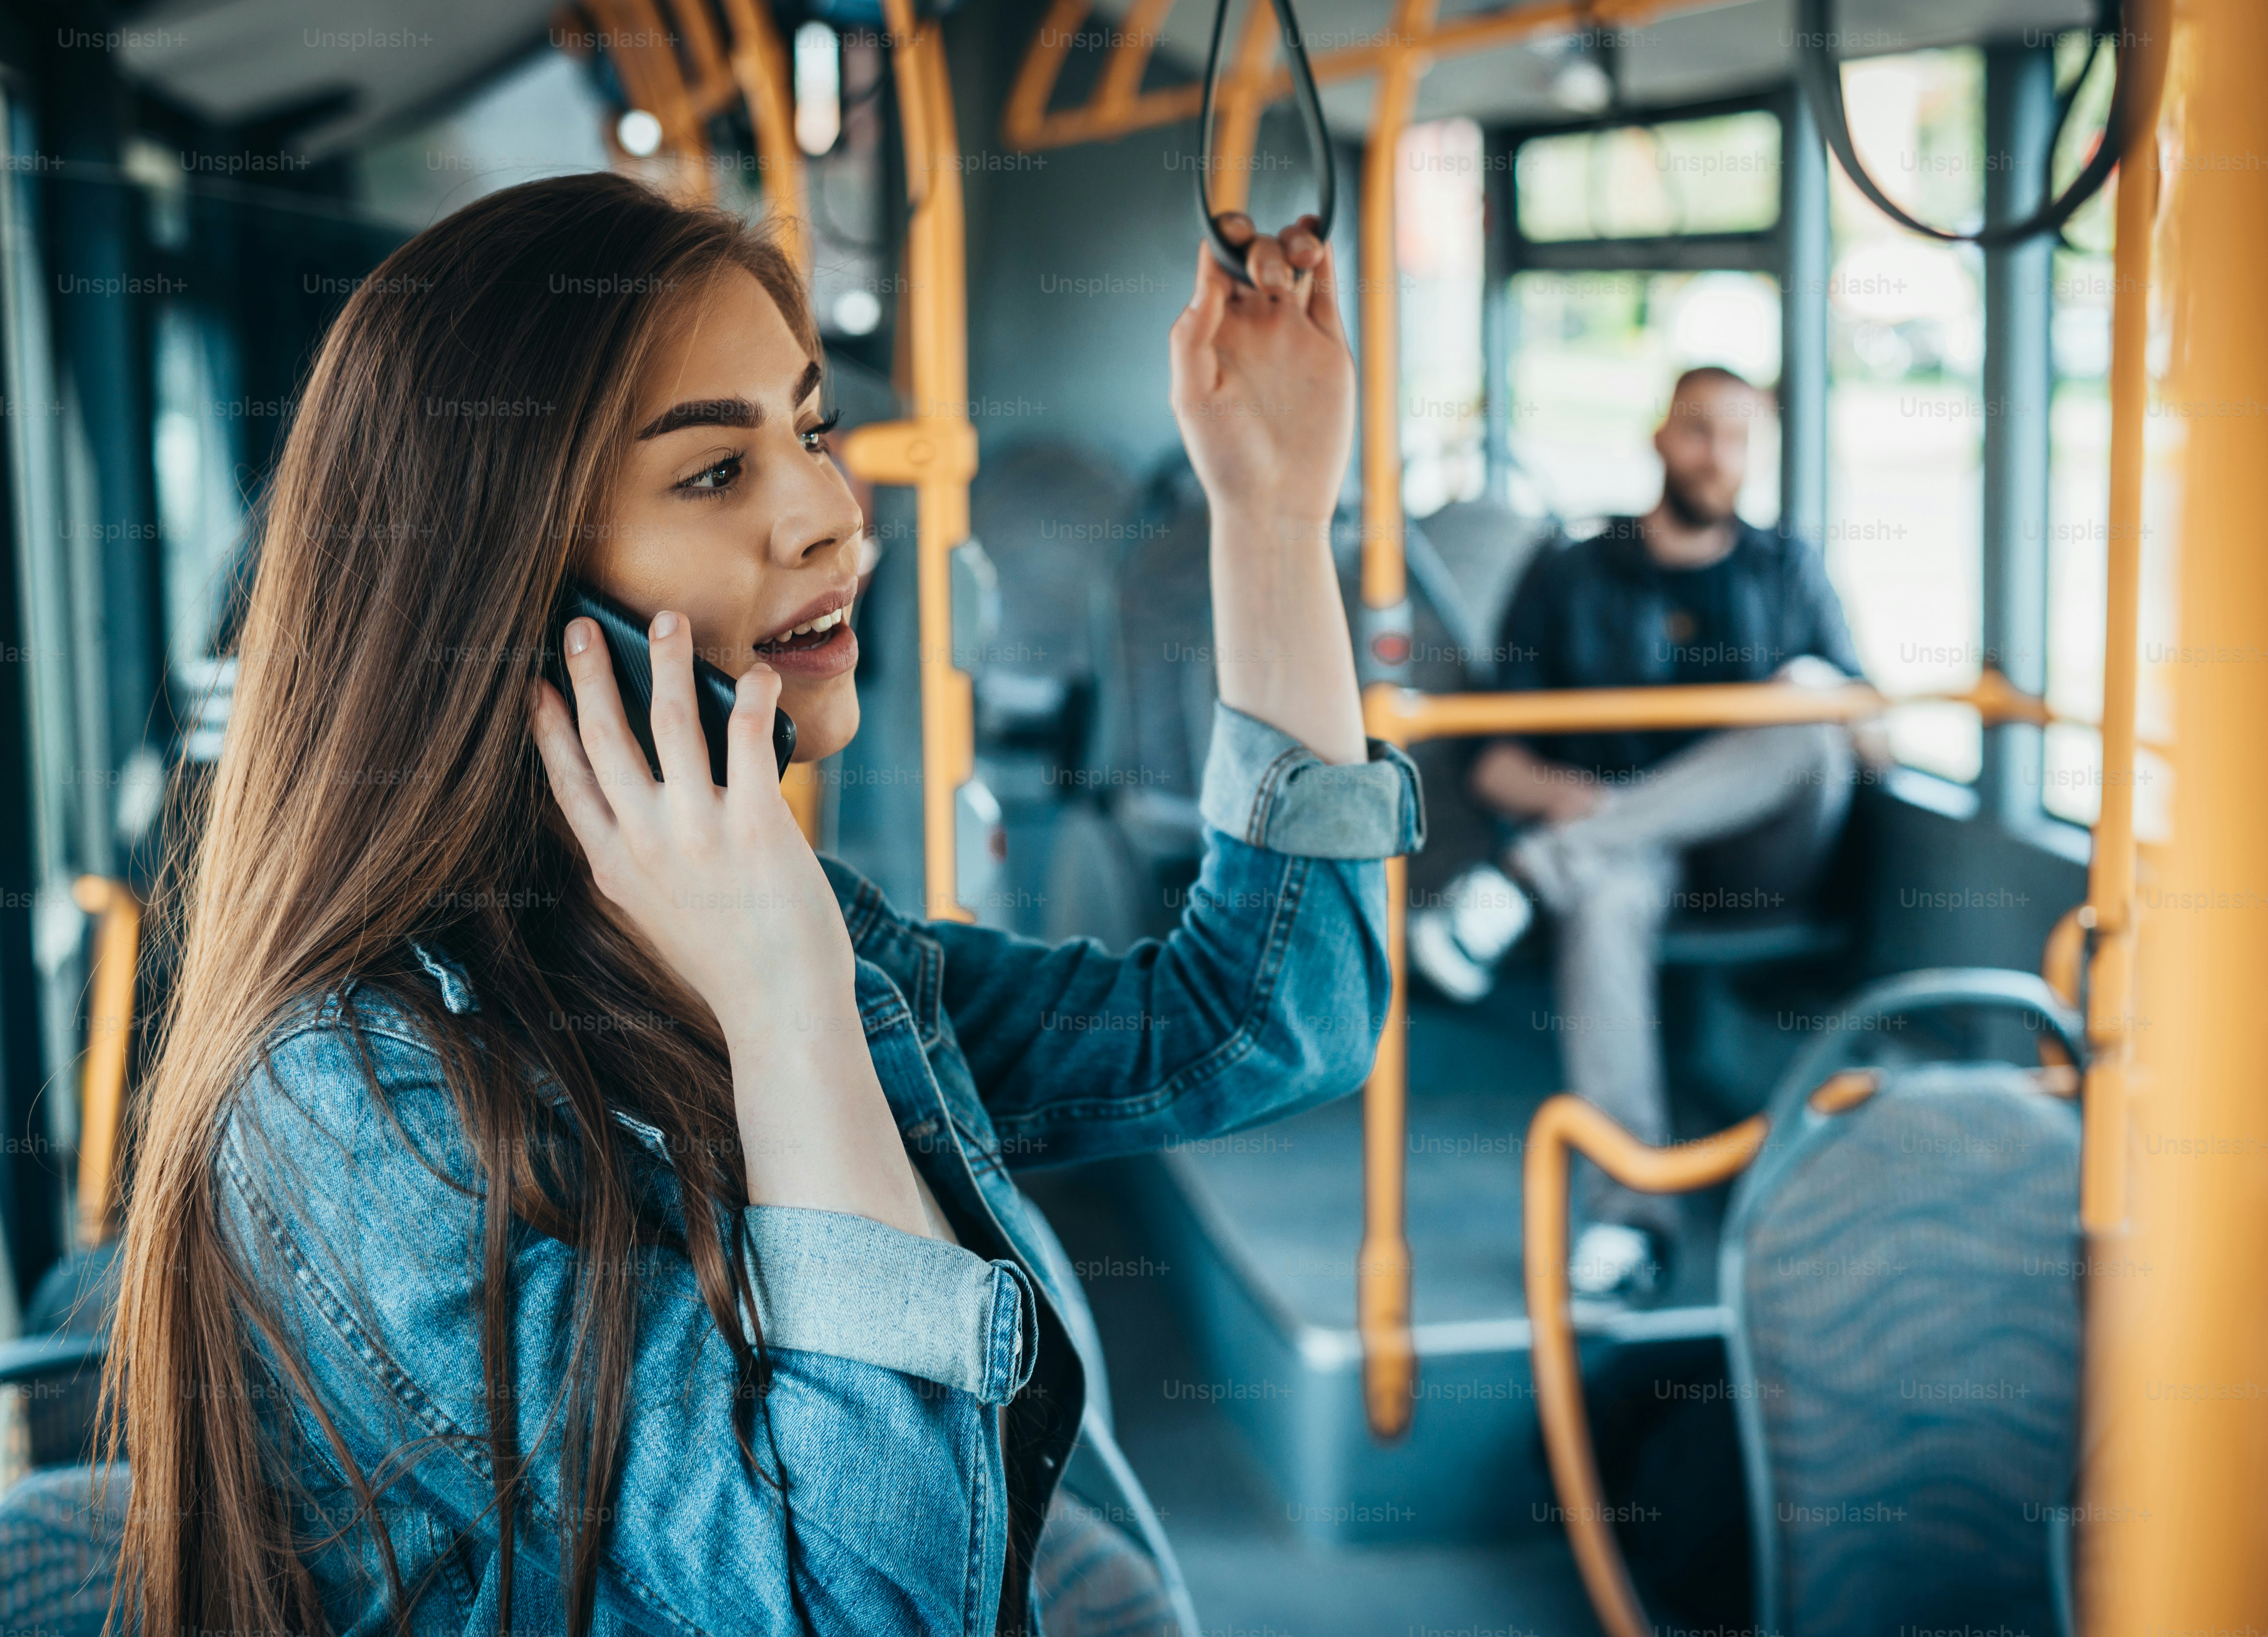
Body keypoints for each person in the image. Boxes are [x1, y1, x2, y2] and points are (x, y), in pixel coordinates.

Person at [106, 174, 1420, 1637]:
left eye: (810, 431)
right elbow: (864, 1614)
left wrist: (1271, 510)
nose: (833, 514)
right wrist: (787, 1006)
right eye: (713, 473)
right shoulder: (354, 1098)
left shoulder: (756, 928)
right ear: (506, 593)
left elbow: (1262, 1019)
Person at [1411, 365, 1865, 1301]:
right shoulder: (1571, 571)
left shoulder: (1788, 568)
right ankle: (1630, 1221)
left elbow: (1871, 742)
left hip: (1757, 857)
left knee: (1810, 721)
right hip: (1622, 848)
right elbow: (1492, 761)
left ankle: (1522, 877)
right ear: (1660, 437)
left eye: (1739, 438)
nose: (1719, 457)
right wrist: (1572, 799)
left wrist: (1819, 695)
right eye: (1700, 432)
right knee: (1610, 885)